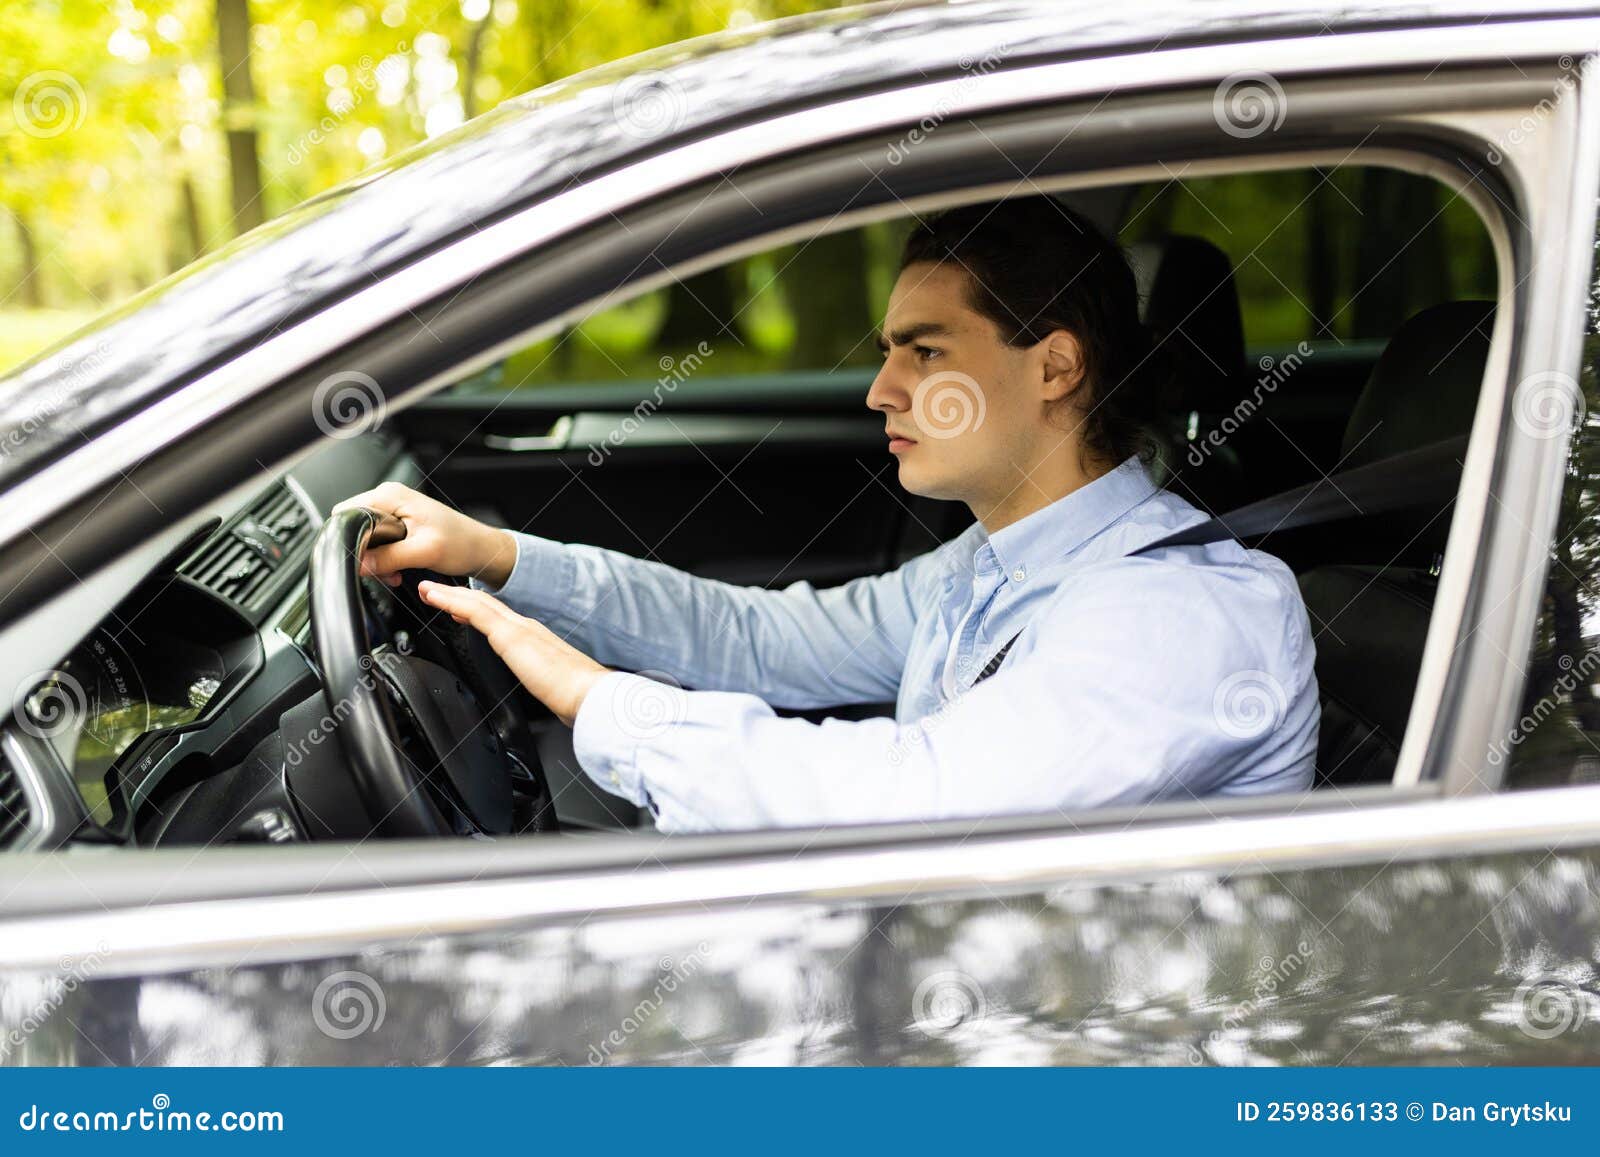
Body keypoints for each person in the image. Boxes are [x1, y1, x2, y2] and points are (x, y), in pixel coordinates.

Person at [337, 197, 1318, 833]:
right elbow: (762, 637)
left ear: (1054, 366)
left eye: (925, 351)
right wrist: (501, 555)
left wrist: (601, 703)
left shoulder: (1177, 616)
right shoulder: (995, 564)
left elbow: (921, 799)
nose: (880, 390)